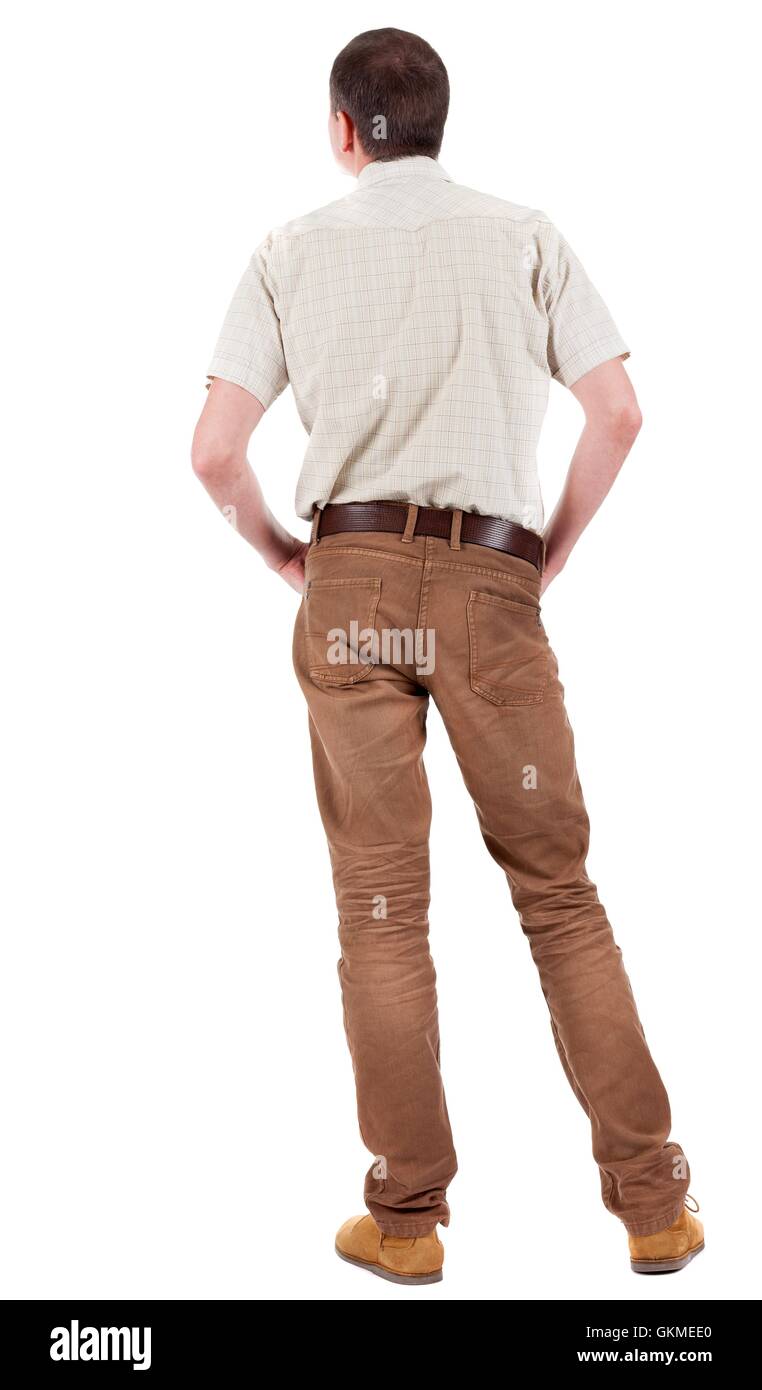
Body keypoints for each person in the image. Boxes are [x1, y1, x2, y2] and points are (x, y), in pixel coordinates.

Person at [192, 26, 702, 1285]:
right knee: (560, 896)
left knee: (381, 907)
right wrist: (545, 552)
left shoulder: (287, 251)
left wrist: (282, 555)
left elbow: (212, 451)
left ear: (344, 129)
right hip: (491, 590)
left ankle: (407, 1223)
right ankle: (653, 1210)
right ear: (438, 124)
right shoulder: (526, 234)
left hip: (351, 589)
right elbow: (620, 409)